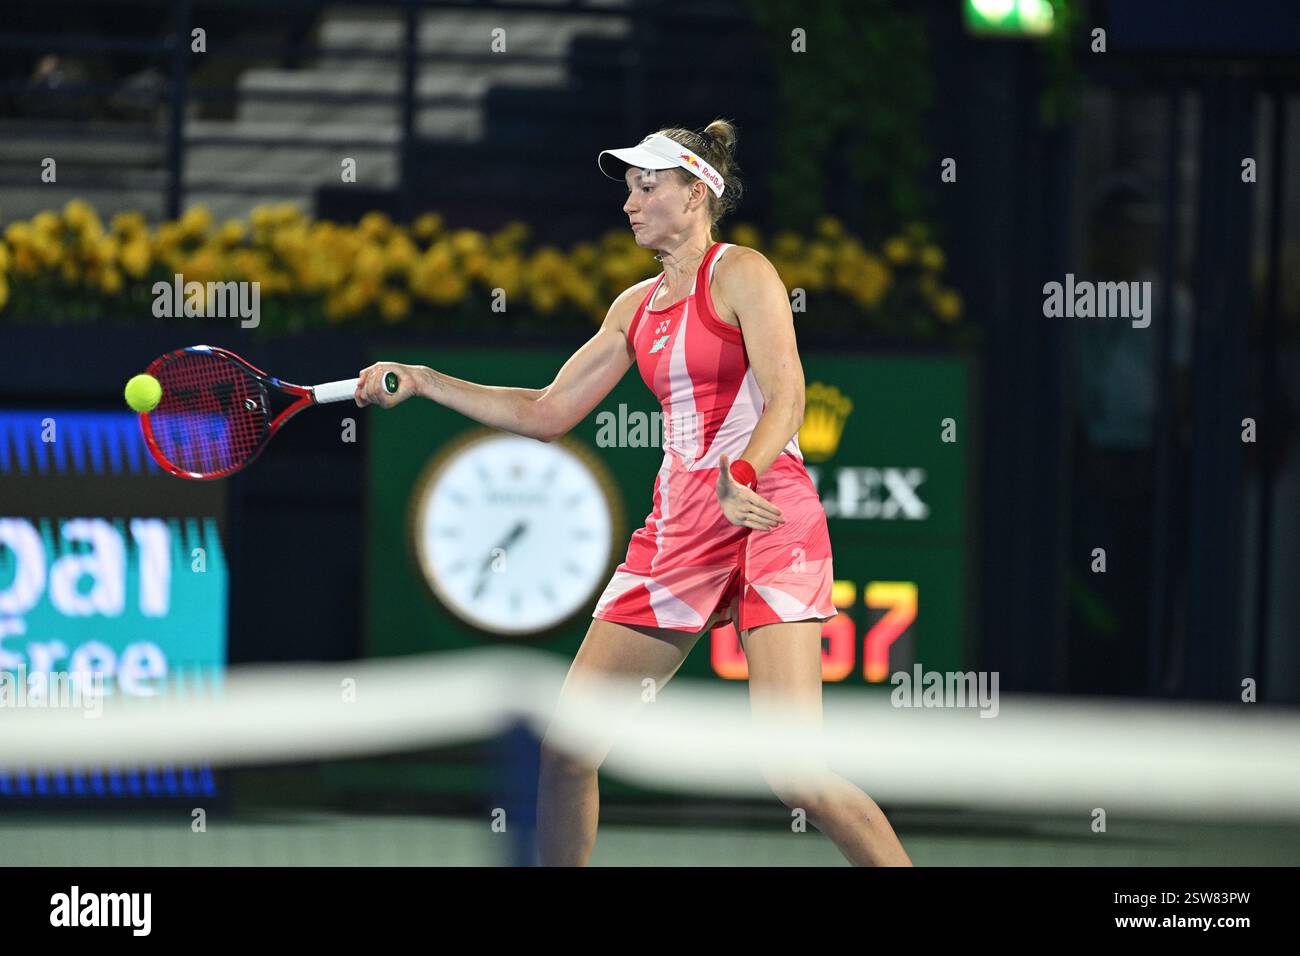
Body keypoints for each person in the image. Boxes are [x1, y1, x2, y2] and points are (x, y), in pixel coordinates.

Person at [354, 119, 912, 867]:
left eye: (649, 185)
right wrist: (425, 382)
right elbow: (547, 411)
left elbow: (788, 396)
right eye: (629, 187)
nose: (631, 202)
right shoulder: (633, 308)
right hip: (679, 527)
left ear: (696, 195)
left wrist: (738, 473)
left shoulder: (744, 272)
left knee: (796, 775)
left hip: (766, 513)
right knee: (567, 749)